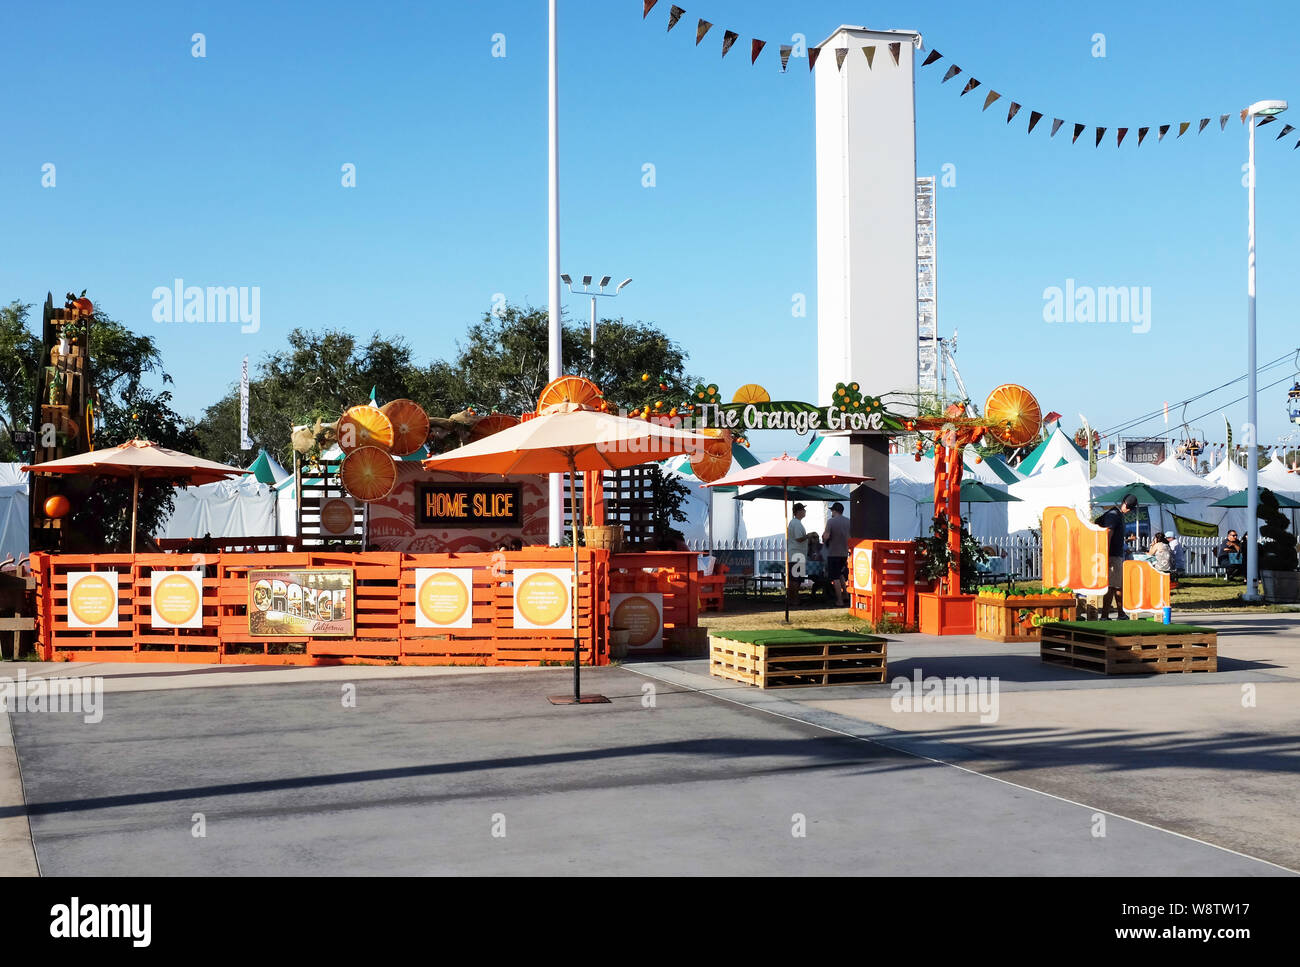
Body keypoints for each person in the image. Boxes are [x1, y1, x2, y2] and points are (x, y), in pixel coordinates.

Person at [1096, 493, 1138, 620]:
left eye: (1131, 508)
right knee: (1112, 586)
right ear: (1124, 504)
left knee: (1117, 585)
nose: (1129, 510)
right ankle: (1105, 615)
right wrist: (1105, 555)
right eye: (1129, 507)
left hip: (1116, 555)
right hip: (1112, 555)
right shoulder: (1114, 515)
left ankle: (1120, 613)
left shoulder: (1118, 515)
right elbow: (1108, 533)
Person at [822, 501, 851, 606]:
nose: (831, 513)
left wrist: (823, 539)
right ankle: (845, 595)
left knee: (835, 577)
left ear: (835, 511)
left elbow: (826, 536)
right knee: (840, 574)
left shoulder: (831, 522)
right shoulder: (848, 521)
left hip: (833, 553)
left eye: (832, 510)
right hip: (844, 553)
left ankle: (839, 600)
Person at [786, 503, 808, 600]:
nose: (805, 511)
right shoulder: (797, 523)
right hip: (797, 554)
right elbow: (799, 538)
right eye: (803, 509)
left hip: (796, 553)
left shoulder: (795, 522)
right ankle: (794, 599)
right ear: (798, 511)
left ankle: (793, 598)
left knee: (796, 578)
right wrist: (809, 535)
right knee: (796, 578)